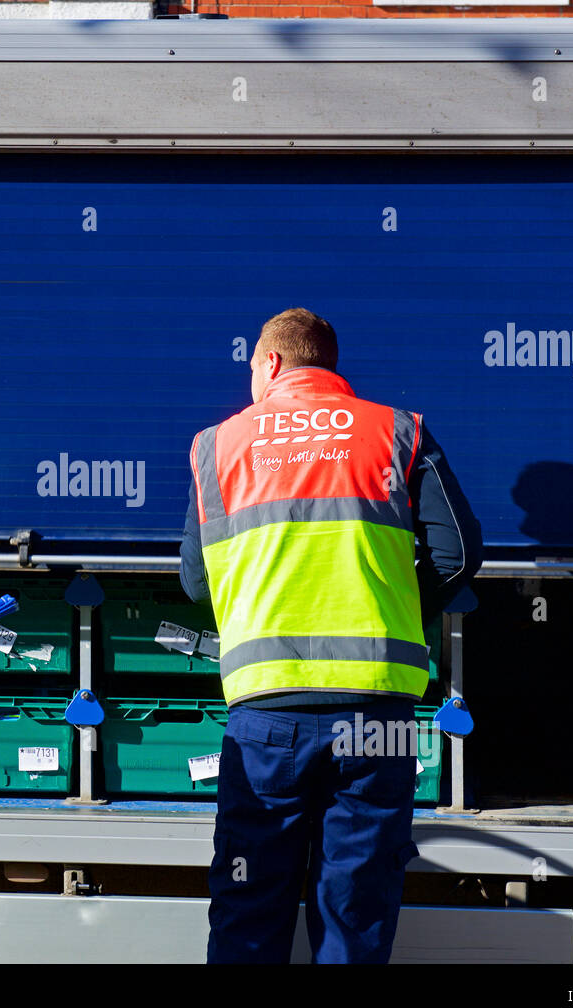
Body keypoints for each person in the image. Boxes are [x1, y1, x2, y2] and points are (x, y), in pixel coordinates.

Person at [181, 307, 482, 964]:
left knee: (247, 900)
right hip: (379, 716)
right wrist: (394, 610)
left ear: (271, 363)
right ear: (328, 364)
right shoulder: (397, 431)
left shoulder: (217, 446)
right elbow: (457, 553)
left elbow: (198, 586)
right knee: (356, 905)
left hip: (264, 717)